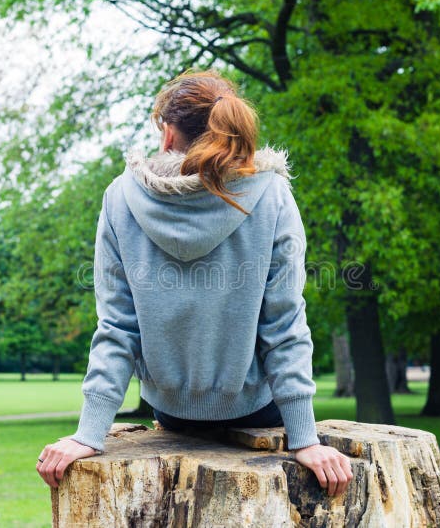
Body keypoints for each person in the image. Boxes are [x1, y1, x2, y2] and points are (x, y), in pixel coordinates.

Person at [37, 69, 352, 497]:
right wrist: (305, 438)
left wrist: (88, 434)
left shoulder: (119, 198)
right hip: (258, 410)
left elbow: (117, 328)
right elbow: (285, 325)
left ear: (168, 134)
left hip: (171, 413)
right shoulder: (272, 194)